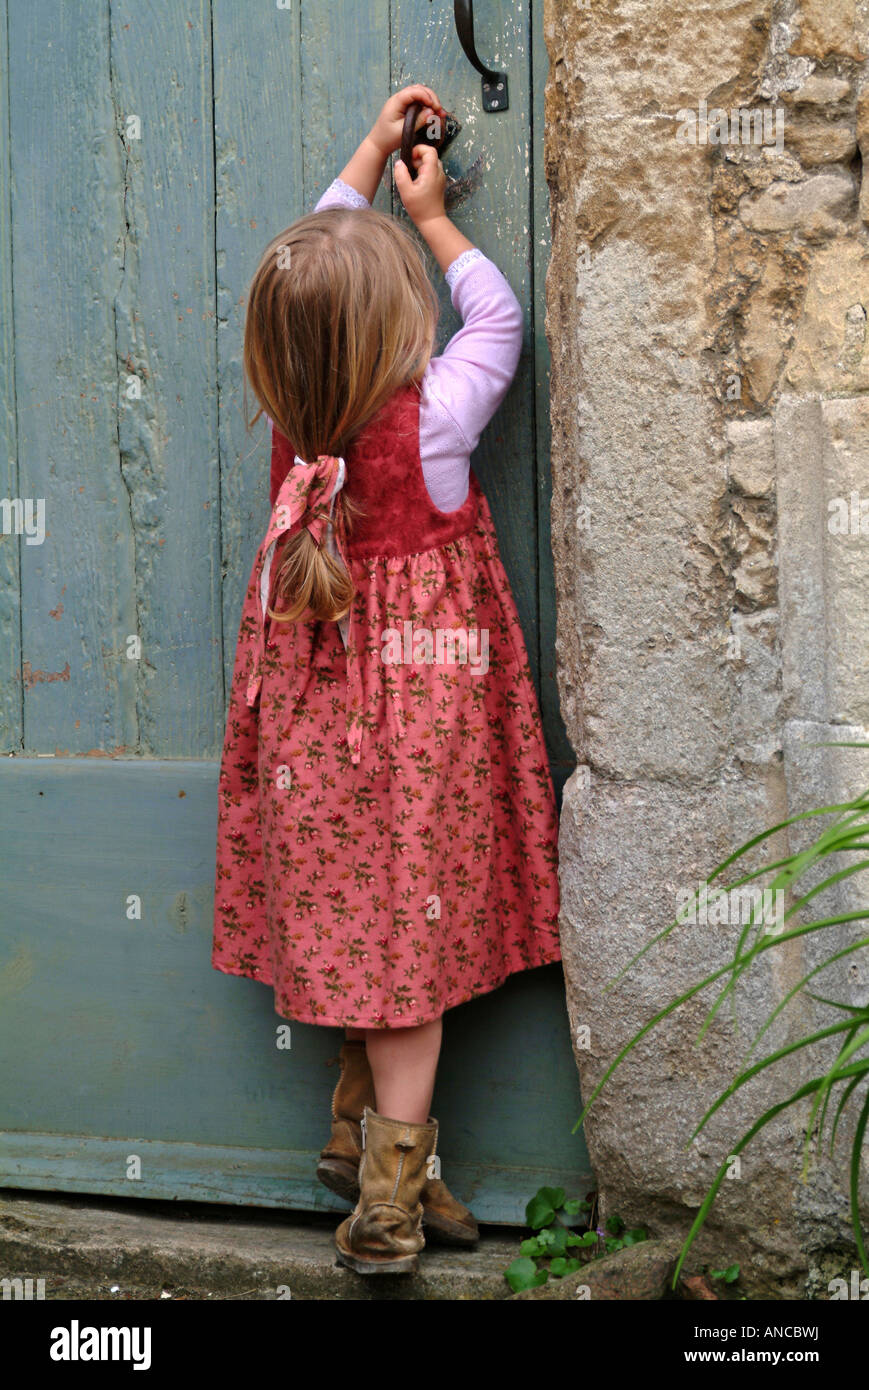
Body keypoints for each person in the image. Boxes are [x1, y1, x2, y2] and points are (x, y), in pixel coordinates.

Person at [212, 85, 561, 1275]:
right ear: (392, 331)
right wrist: (434, 222)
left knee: (370, 930)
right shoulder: (437, 422)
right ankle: (387, 1201)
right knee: (407, 957)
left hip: (319, 735)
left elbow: (309, 262)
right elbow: (499, 319)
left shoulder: (293, 415)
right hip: (419, 733)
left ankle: (358, 1125)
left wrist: (363, 161)